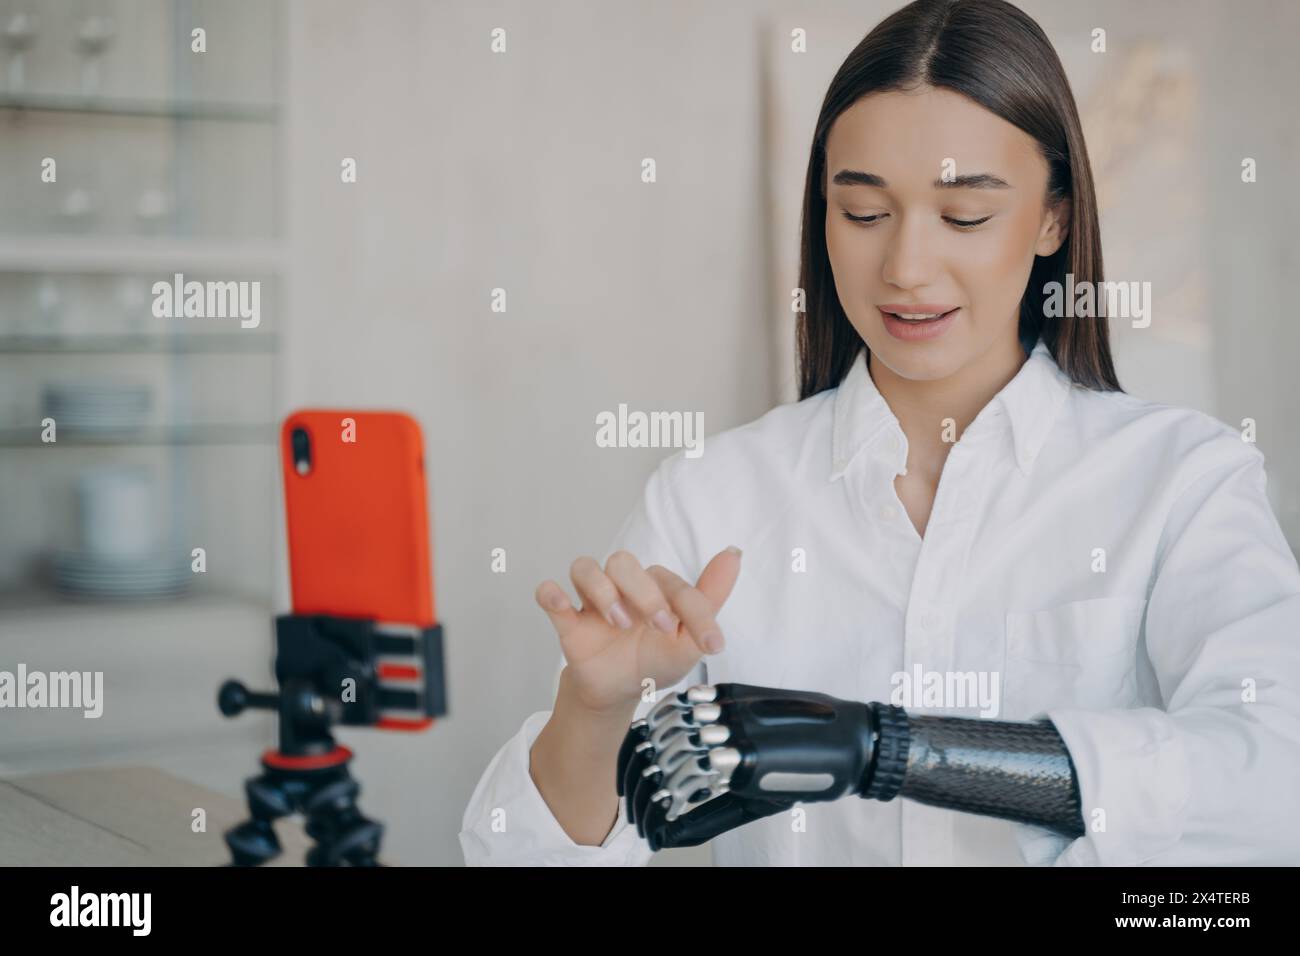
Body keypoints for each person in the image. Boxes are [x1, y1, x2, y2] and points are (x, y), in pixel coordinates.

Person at [459, 0, 1300, 865]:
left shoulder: (1181, 480)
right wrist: (592, 710)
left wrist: (885, 750)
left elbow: (1276, 787)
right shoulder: (712, 496)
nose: (904, 268)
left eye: (964, 216)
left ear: (1054, 218)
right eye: (863, 214)